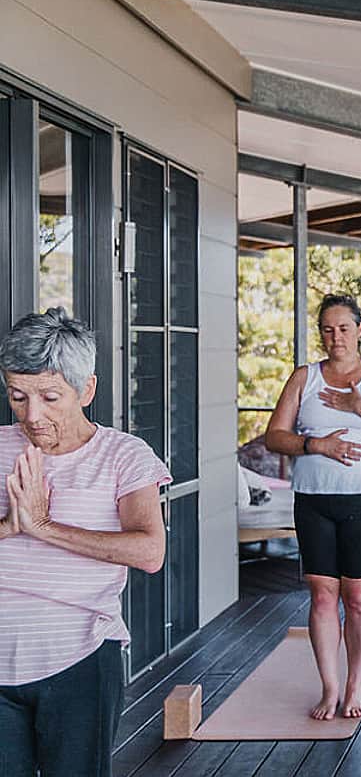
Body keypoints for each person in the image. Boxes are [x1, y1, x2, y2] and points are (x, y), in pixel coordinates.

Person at [0, 308, 171, 777]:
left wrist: (44, 527)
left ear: (87, 390)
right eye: (17, 396)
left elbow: (149, 552)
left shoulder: (124, 456)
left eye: (50, 397)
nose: (32, 415)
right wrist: (10, 526)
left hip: (78, 660)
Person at [265, 294, 361, 720]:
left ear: (360, 329)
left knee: (359, 597)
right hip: (314, 500)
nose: (336, 338)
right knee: (322, 596)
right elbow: (275, 436)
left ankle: (356, 685)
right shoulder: (304, 378)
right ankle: (330, 688)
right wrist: (317, 444)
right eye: (328, 330)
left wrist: (359, 406)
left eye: (344, 328)